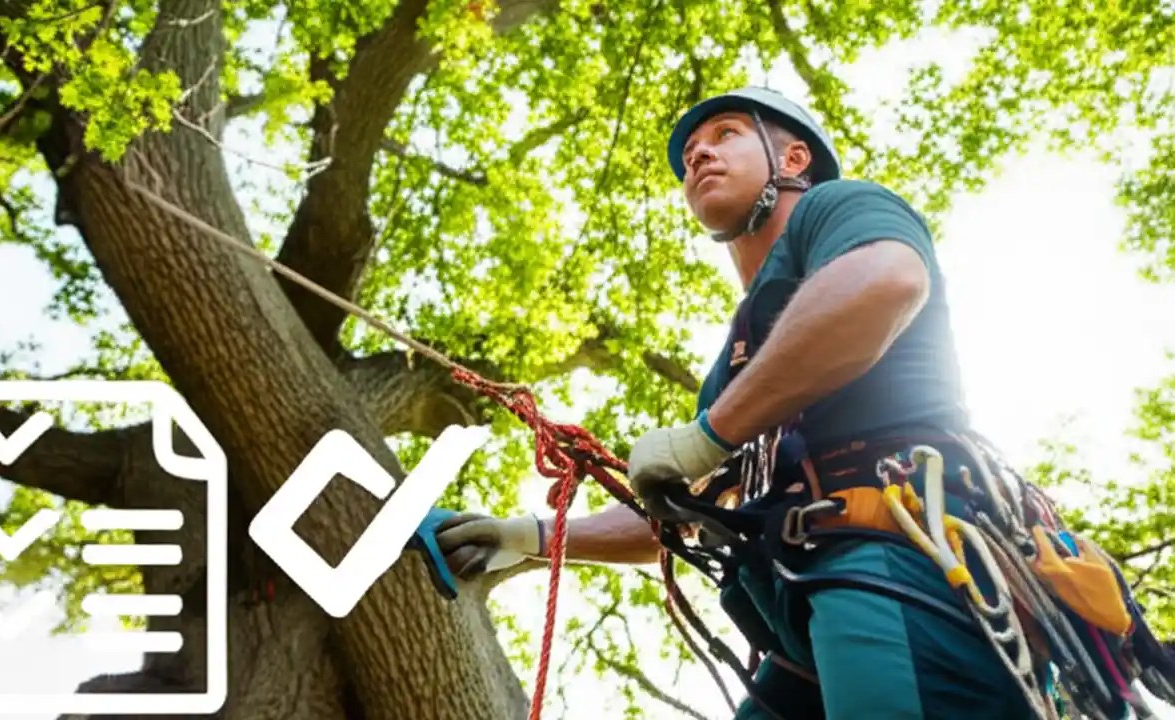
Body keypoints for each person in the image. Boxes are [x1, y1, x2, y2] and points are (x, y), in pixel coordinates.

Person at [435, 86, 1044, 720]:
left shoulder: (839, 208)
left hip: (895, 561)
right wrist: (532, 535)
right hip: (799, 628)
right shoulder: (735, 375)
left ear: (796, 160)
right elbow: (683, 516)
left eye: (725, 135)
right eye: (690, 153)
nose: (698, 156)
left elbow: (885, 282)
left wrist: (709, 435)